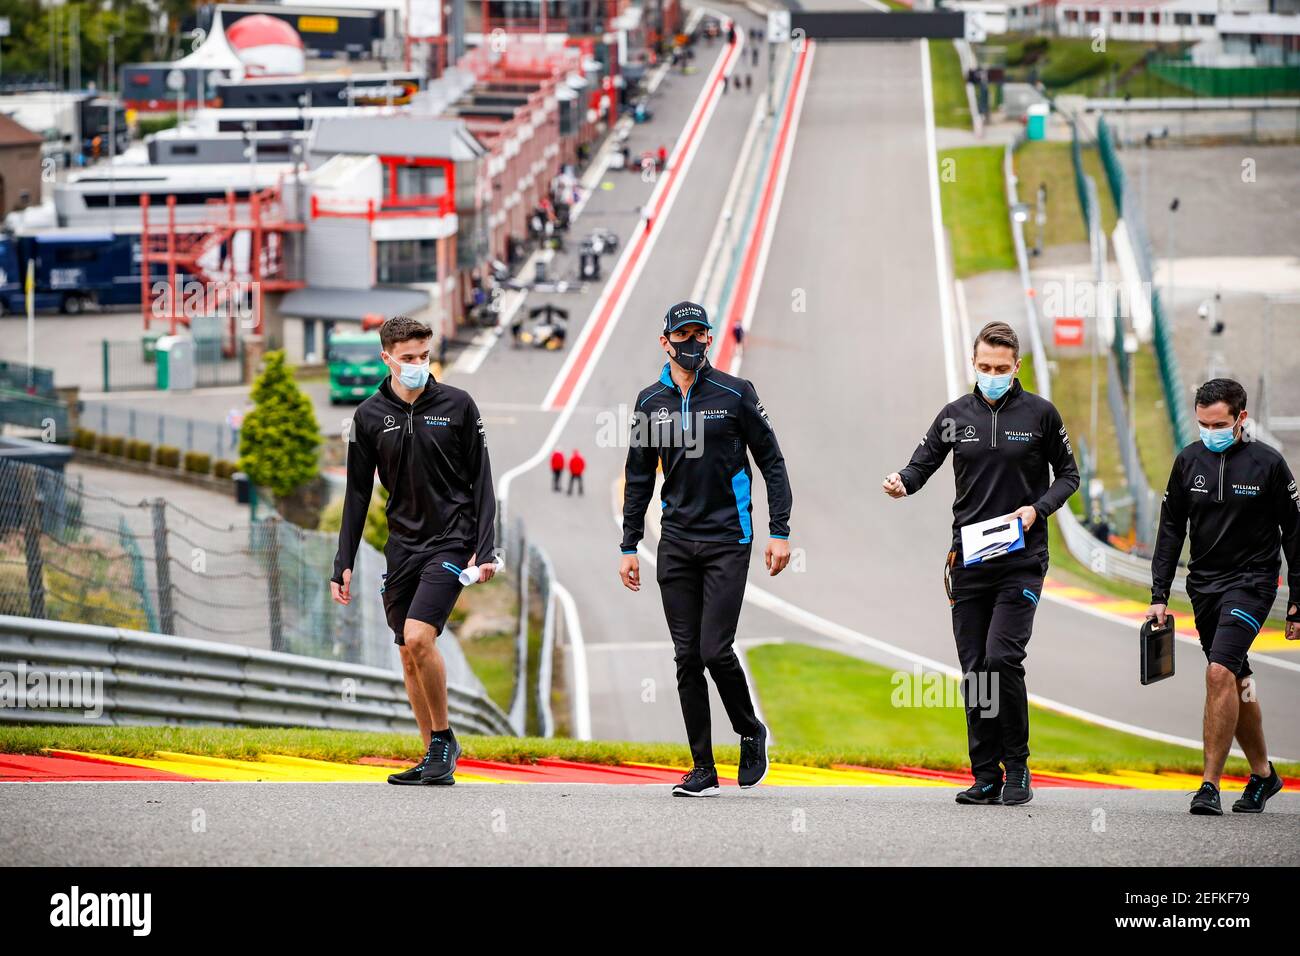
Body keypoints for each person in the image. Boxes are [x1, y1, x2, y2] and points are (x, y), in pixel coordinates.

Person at [883, 321, 1078, 807]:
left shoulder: (1041, 414)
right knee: (975, 670)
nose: (993, 374)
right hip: (968, 559)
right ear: (974, 363)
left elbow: (1069, 475)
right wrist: (902, 481)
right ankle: (985, 774)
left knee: (1002, 658)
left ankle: (1018, 767)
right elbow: (922, 463)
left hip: (1022, 558)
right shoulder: (955, 415)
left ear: (1016, 367)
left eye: (1002, 368)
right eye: (985, 366)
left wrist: (1038, 508)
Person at [620, 301, 793, 797]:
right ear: (665, 342)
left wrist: (778, 530)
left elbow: (772, 462)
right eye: (684, 335)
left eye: (701, 335)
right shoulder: (649, 401)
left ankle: (749, 730)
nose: (693, 343)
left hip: (727, 540)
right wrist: (629, 544)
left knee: (715, 649)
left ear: (709, 340)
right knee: (685, 657)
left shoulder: (736, 393)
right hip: (674, 541)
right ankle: (702, 767)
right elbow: (637, 476)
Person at [331, 315, 498, 786]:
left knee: (421, 636)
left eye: (424, 357)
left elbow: (482, 481)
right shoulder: (366, 417)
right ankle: (432, 758)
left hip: (452, 539)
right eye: (408, 359)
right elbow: (358, 494)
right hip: (401, 545)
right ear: (386, 357)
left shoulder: (459, 406)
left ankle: (444, 739)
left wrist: (484, 548)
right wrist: (343, 562)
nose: (418, 366)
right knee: (407, 650)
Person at [1148, 378, 1299, 815]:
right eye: (1202, 423)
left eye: (1219, 423)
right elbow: (1171, 528)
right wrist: (1159, 592)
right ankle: (1265, 776)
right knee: (1235, 677)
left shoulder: (1268, 464)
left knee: (1218, 673)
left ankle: (1209, 785)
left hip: (1252, 584)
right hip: (1204, 587)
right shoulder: (1187, 461)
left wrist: (1298, 598)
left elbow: (1295, 532)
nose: (1209, 431)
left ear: (1241, 419)